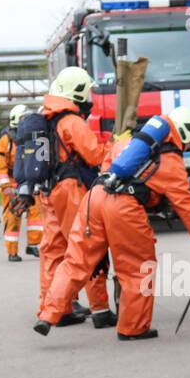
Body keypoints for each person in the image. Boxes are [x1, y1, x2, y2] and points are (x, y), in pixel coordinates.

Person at [34, 107, 190, 341]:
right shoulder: (170, 161)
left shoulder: (129, 143)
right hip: (124, 206)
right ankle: (133, 327)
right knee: (138, 269)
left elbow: (104, 166)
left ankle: (48, 314)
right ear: (184, 132)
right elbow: (187, 209)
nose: (188, 148)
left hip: (94, 197)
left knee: (75, 262)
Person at [36, 67, 115, 328]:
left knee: (53, 251)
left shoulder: (45, 118)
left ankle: (57, 308)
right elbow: (94, 156)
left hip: (48, 191)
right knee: (87, 246)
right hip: (70, 190)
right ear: (78, 92)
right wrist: (115, 145)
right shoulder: (71, 121)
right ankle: (101, 309)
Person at [0, 104, 42, 262]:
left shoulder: (31, 137)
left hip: (29, 183)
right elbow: (0, 166)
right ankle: (12, 251)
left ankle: (33, 245)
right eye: (24, 118)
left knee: (35, 213)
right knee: (14, 216)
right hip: (12, 186)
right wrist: (6, 187)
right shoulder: (5, 141)